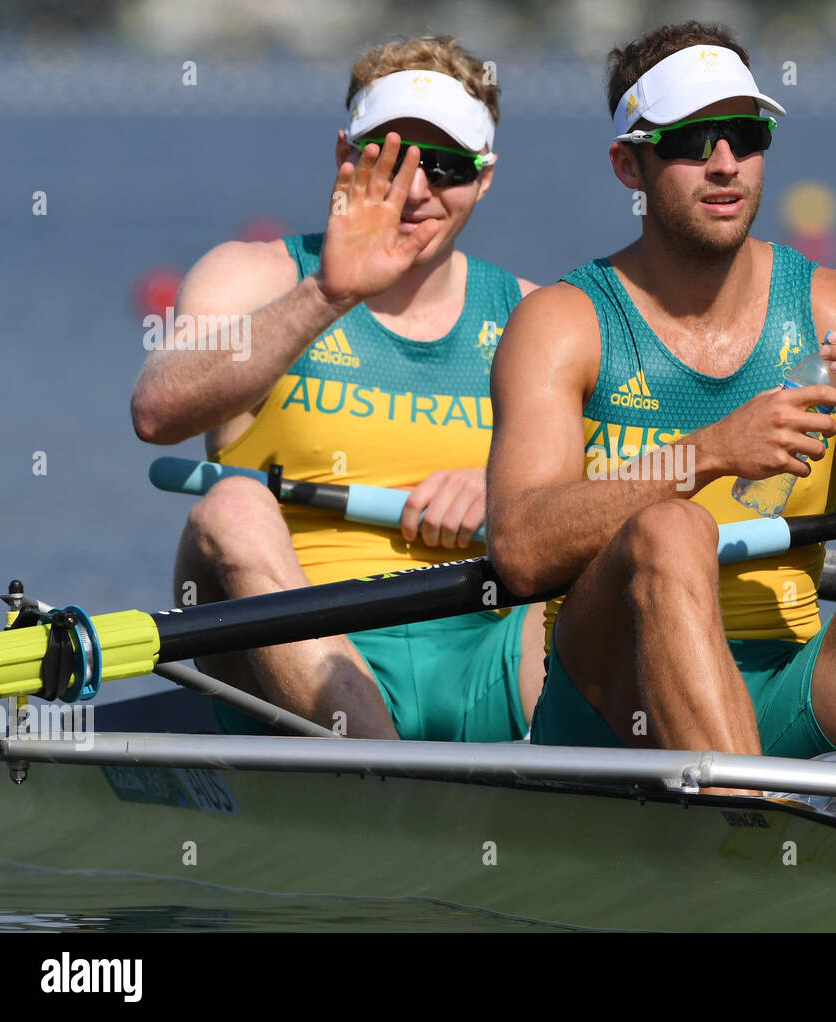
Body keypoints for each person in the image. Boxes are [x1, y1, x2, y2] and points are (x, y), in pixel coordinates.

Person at [485, 22, 836, 788]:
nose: (725, 164)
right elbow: (521, 551)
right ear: (628, 164)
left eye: (744, 134)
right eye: (691, 141)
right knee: (670, 529)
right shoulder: (563, 324)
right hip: (610, 705)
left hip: (789, 690)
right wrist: (708, 453)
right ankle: (753, 835)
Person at [131, 36, 544, 741]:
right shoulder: (256, 276)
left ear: (485, 178)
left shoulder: (534, 315)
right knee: (230, 505)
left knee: (604, 522)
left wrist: (510, 487)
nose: (413, 191)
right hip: (284, 661)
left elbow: (634, 476)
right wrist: (326, 294)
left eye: (442, 166)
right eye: (388, 159)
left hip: (491, 653)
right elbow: (157, 411)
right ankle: (385, 781)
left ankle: (680, 807)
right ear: (344, 157)